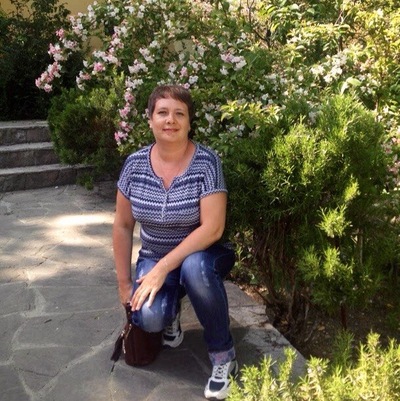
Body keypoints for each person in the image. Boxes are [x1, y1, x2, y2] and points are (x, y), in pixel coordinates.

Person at [112, 84, 237, 400]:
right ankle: (171, 314)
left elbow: (213, 228)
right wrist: (124, 284)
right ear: (150, 120)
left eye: (179, 113)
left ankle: (224, 356)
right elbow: (123, 225)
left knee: (194, 268)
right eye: (163, 112)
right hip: (154, 254)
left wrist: (163, 268)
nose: (171, 120)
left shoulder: (206, 162)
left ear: (190, 122)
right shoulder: (135, 165)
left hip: (204, 255)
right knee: (149, 317)